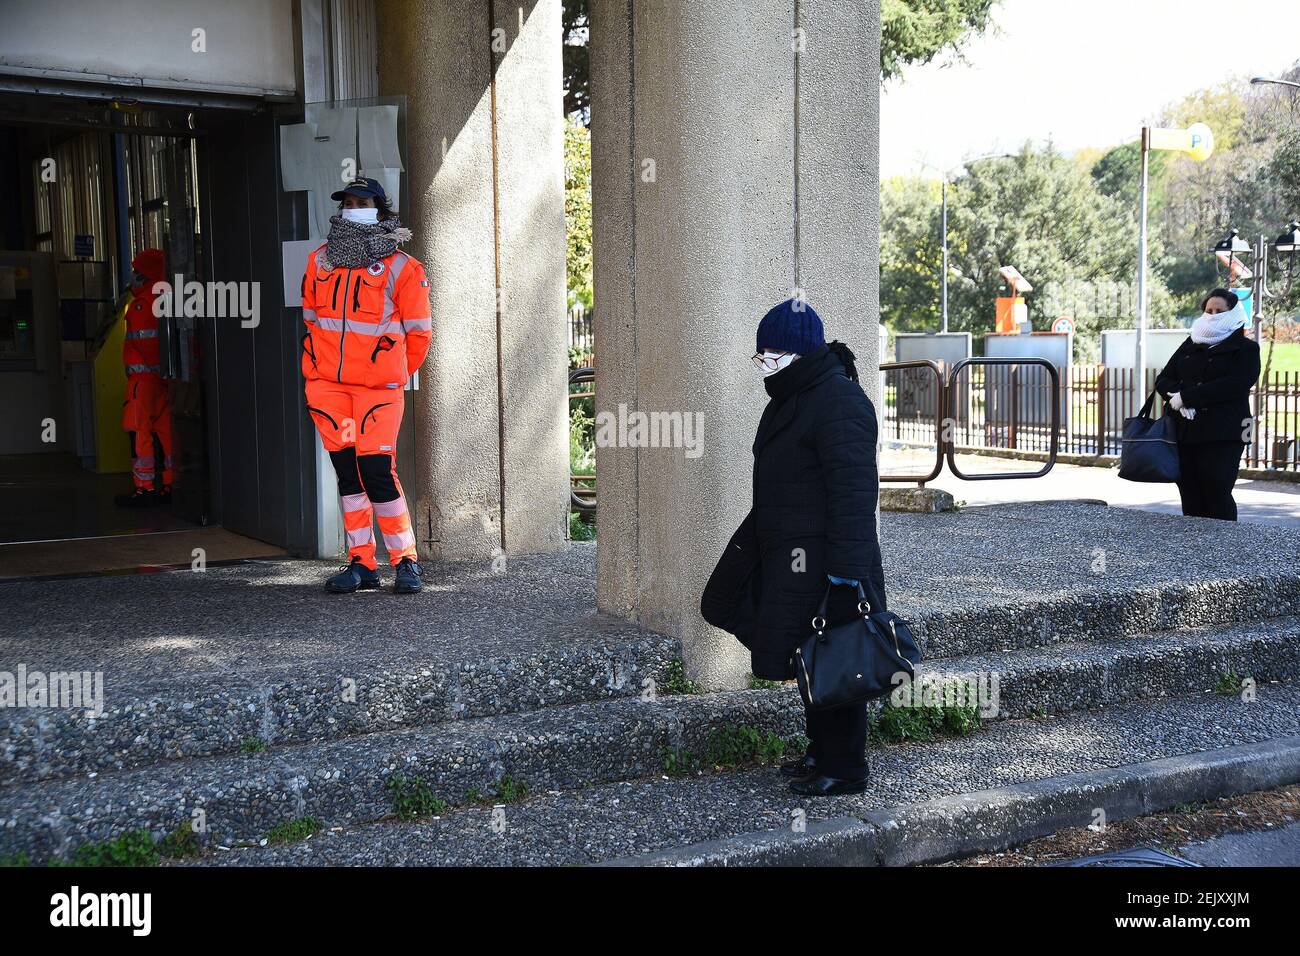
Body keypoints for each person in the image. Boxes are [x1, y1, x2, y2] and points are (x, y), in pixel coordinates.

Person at [701, 298, 886, 796]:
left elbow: (853, 497)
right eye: (761, 357)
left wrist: (847, 580)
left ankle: (843, 767)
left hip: (831, 563)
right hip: (790, 558)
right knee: (800, 648)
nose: (766, 367)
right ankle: (819, 751)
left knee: (836, 659)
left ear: (801, 354)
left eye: (773, 356)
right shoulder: (791, 399)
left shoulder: (840, 402)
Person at [301, 177, 432, 593]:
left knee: (377, 471)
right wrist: (315, 368)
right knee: (348, 474)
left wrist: (388, 372)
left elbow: (419, 334)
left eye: (363, 201)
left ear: (379, 208)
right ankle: (361, 563)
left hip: (378, 391)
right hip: (330, 389)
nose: (354, 207)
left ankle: (405, 560)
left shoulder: (402, 267)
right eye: (348, 202)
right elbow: (310, 320)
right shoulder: (320, 261)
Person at [1154, 287, 1260, 521]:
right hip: (1185, 431)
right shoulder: (1190, 344)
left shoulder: (1247, 348)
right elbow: (1164, 378)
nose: (1212, 315)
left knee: (1217, 489)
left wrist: (1189, 397)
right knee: (1189, 491)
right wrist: (1177, 399)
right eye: (1208, 310)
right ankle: (1195, 549)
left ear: (1232, 314)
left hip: (1225, 432)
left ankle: (1223, 547)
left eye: (1219, 311)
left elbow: (1236, 383)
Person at [116, 248, 174, 508]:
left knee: (140, 432)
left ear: (146, 273)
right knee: (165, 431)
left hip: (143, 382)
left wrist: (151, 371)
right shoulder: (168, 296)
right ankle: (170, 483)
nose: (133, 276)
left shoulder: (142, 305)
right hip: (163, 381)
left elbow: (148, 344)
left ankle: (144, 488)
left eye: (137, 271)